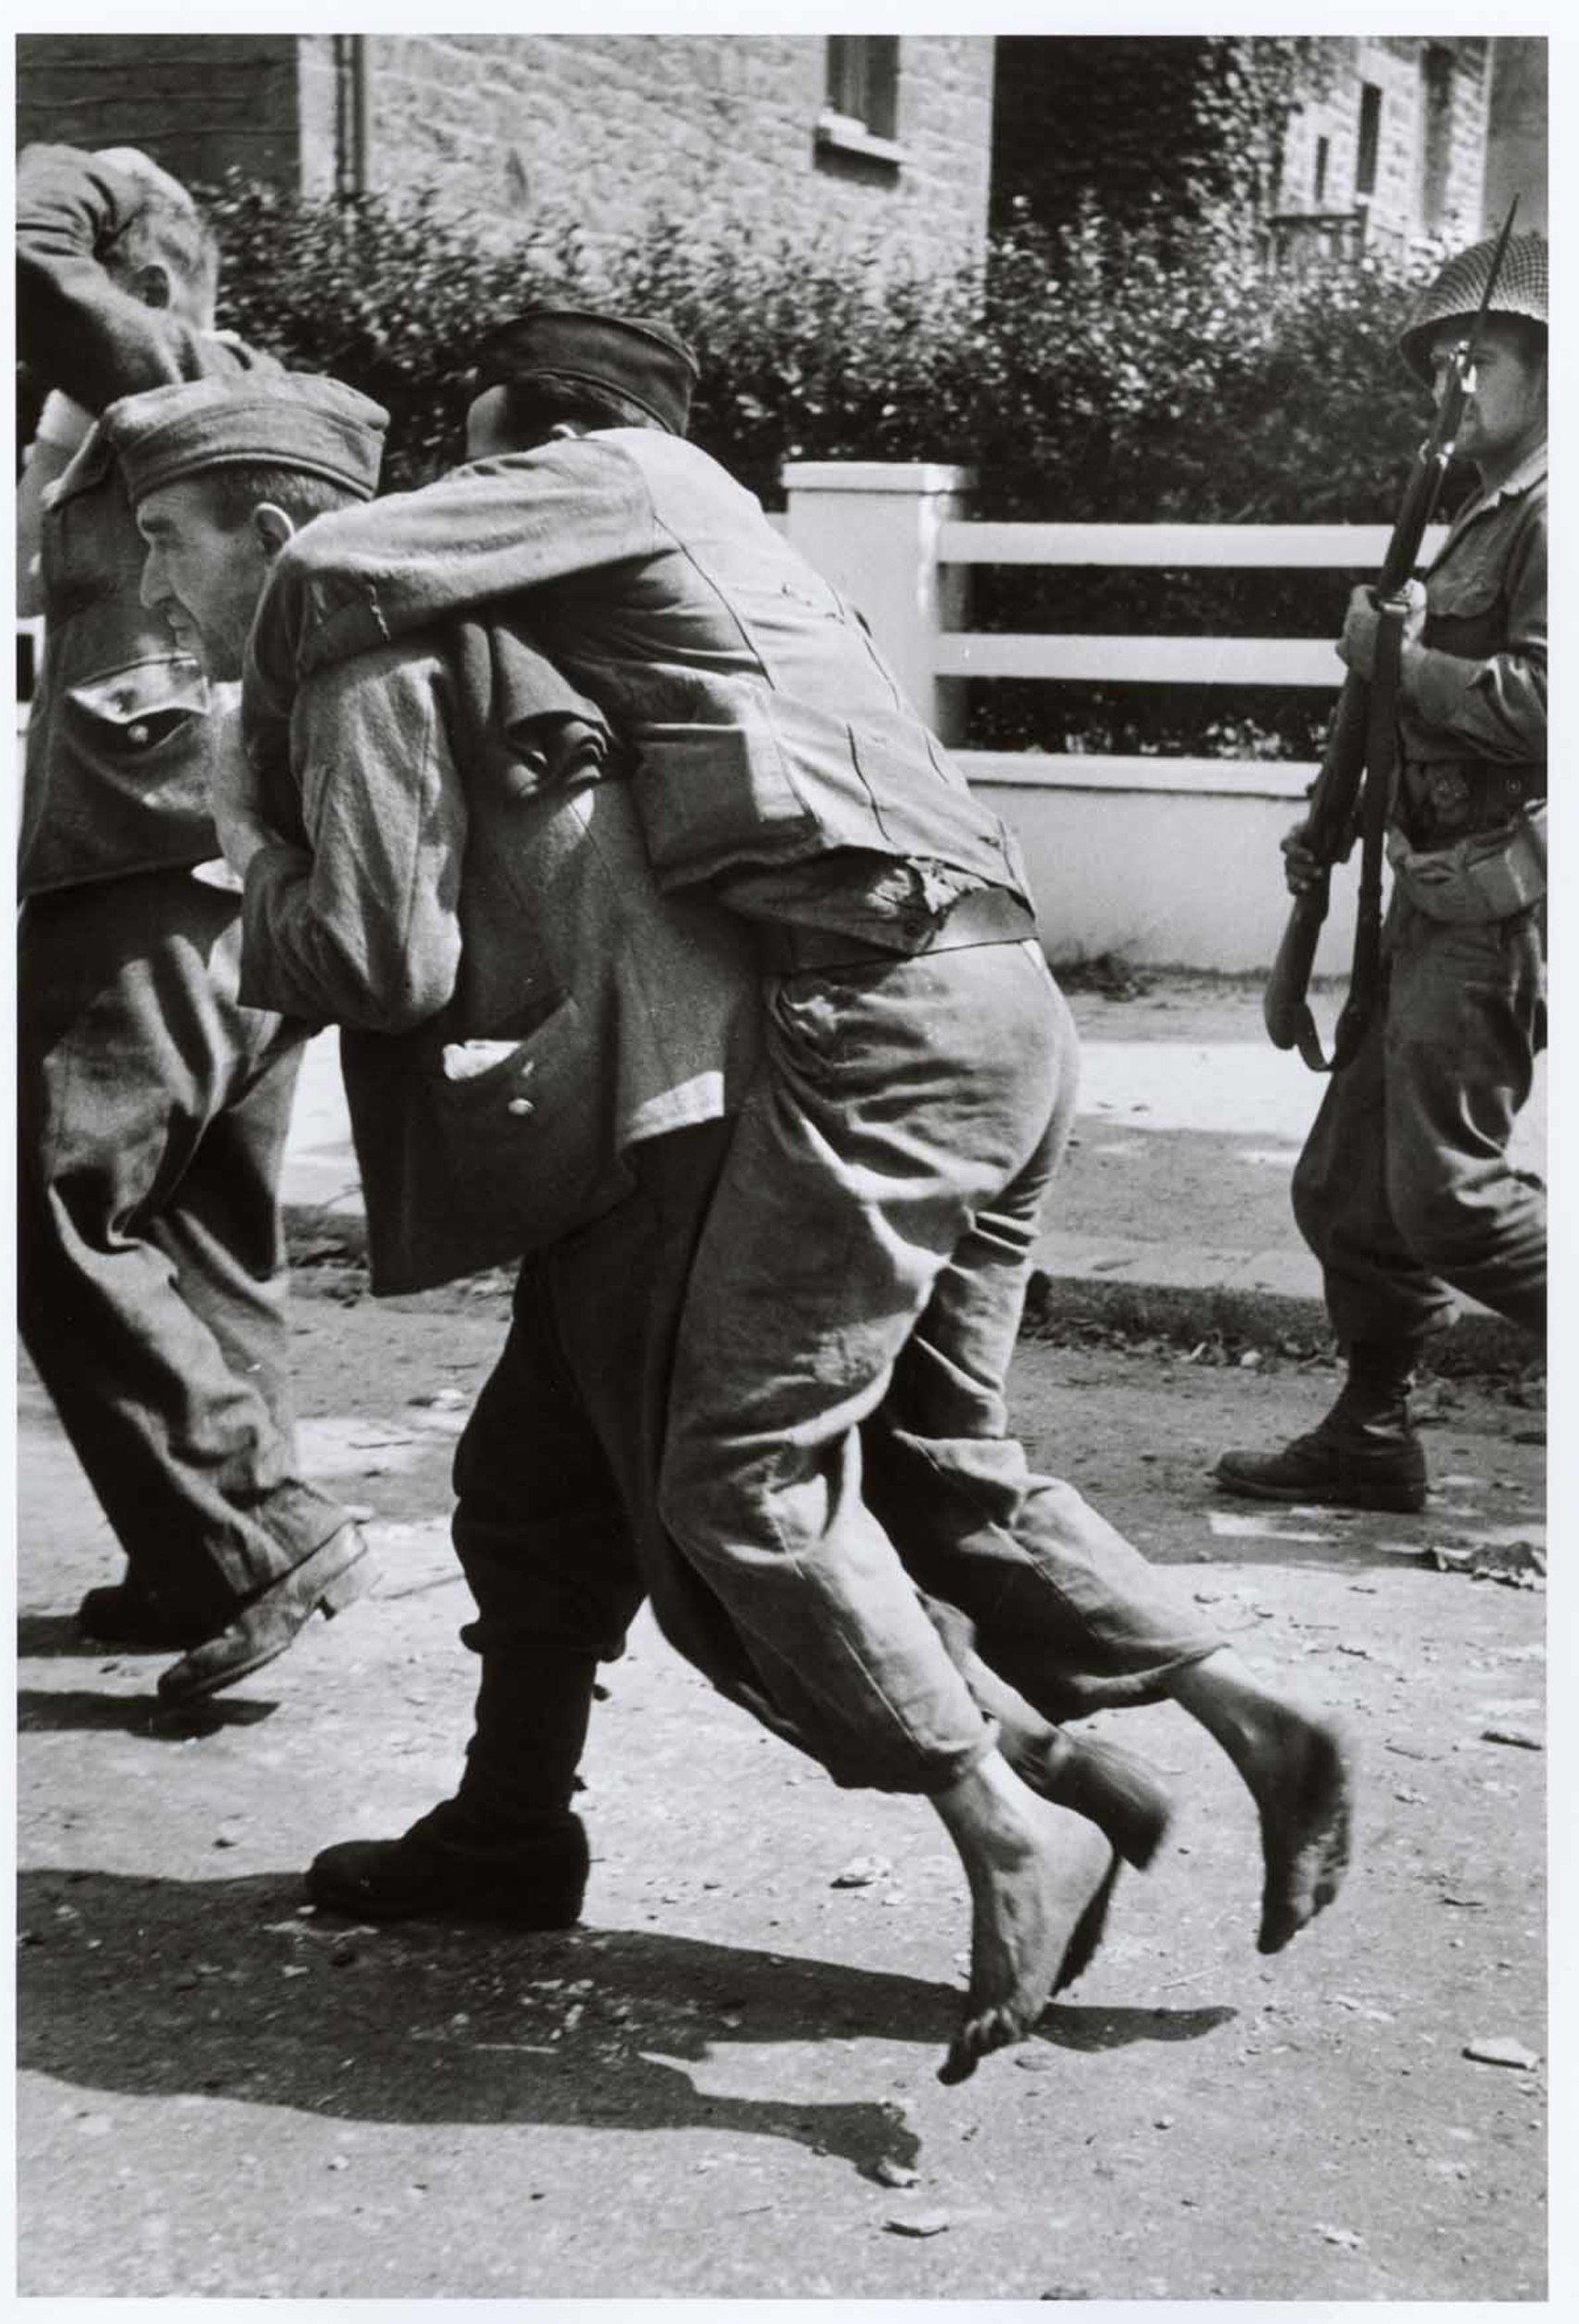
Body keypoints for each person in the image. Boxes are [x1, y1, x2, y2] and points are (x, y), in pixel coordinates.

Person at [243, 311, 1355, 2081]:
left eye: (483, 458)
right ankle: (1240, 1704)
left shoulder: (614, 484)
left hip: (865, 1024)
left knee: (740, 1482)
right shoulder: (722, 565)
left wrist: (260, 763)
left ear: (559, 437)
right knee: (908, 1456)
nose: (465, 498)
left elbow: (327, 562)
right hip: (993, 1001)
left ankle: (1009, 1814)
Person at [16, 142, 377, 1706]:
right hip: (208, 860)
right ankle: (206, 1555)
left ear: (145, 287)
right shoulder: (156, 415)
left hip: (160, 865)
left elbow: (11, 238)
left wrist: (92, 168)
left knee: (35, 1191)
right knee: (203, 1224)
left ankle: (251, 1530)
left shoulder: (186, 377)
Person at [1218, 232, 1547, 1515]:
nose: (1454, 392)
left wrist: (1396, 655)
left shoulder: (1549, 517)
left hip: (1493, 899)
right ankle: (1371, 1431)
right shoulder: (1468, 510)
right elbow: (1400, 715)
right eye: (1440, 369)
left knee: (1453, 1204)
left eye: (1483, 365)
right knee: (1346, 1194)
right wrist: (1333, 817)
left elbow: (1542, 707)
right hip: (1421, 884)